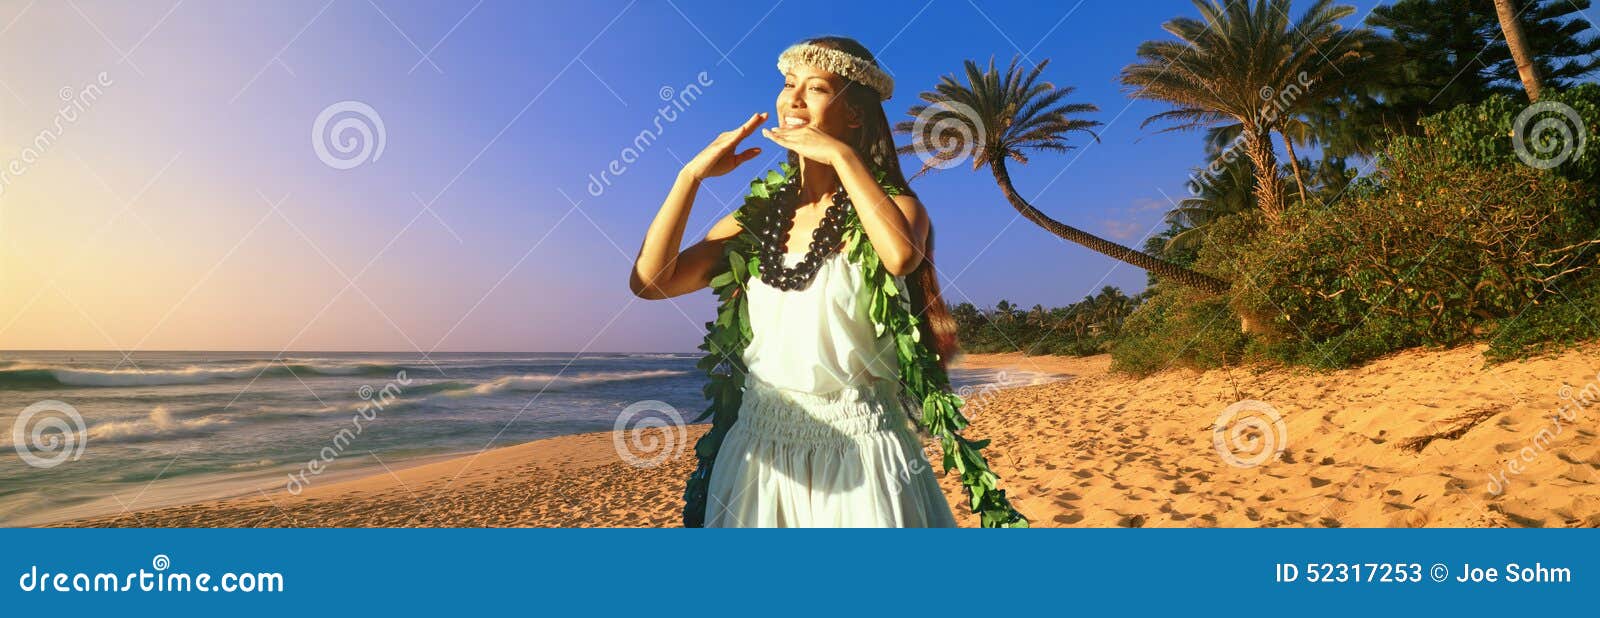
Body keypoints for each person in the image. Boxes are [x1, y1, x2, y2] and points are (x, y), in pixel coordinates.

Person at [630, 36, 959, 527]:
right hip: (759, 447)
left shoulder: (899, 211)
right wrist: (690, 178)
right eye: (788, 85)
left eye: (818, 87)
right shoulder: (756, 219)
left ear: (855, 115)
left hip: (861, 450)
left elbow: (897, 257)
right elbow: (651, 282)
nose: (795, 99)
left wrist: (843, 159)